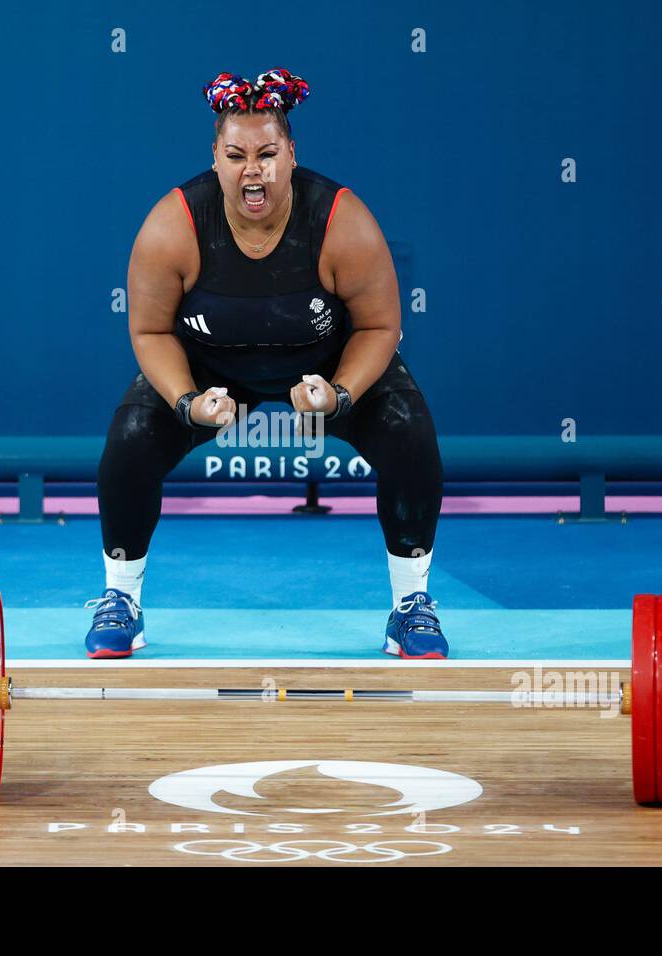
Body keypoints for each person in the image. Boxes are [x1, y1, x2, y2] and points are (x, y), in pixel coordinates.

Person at [88, 68, 445, 659]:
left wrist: (340, 395)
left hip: (327, 368)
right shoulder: (172, 226)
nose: (253, 169)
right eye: (236, 155)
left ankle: (411, 605)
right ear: (215, 159)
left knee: (410, 430)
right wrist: (186, 401)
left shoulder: (341, 221)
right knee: (129, 437)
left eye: (267, 153)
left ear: (292, 154)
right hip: (209, 370)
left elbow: (381, 327)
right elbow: (150, 330)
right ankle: (119, 598)